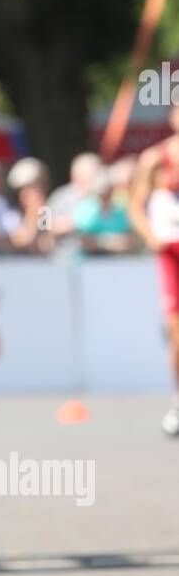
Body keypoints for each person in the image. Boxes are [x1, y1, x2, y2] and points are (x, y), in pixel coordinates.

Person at [129, 108, 179, 435]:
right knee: (176, 332)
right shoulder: (155, 159)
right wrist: (151, 237)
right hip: (171, 253)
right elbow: (135, 205)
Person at [72, 167, 136, 255]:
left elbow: (130, 241)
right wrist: (112, 242)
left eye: (108, 191)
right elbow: (84, 240)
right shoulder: (84, 209)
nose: (105, 196)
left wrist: (101, 242)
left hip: (117, 262)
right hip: (89, 260)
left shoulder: (121, 210)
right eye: (102, 193)